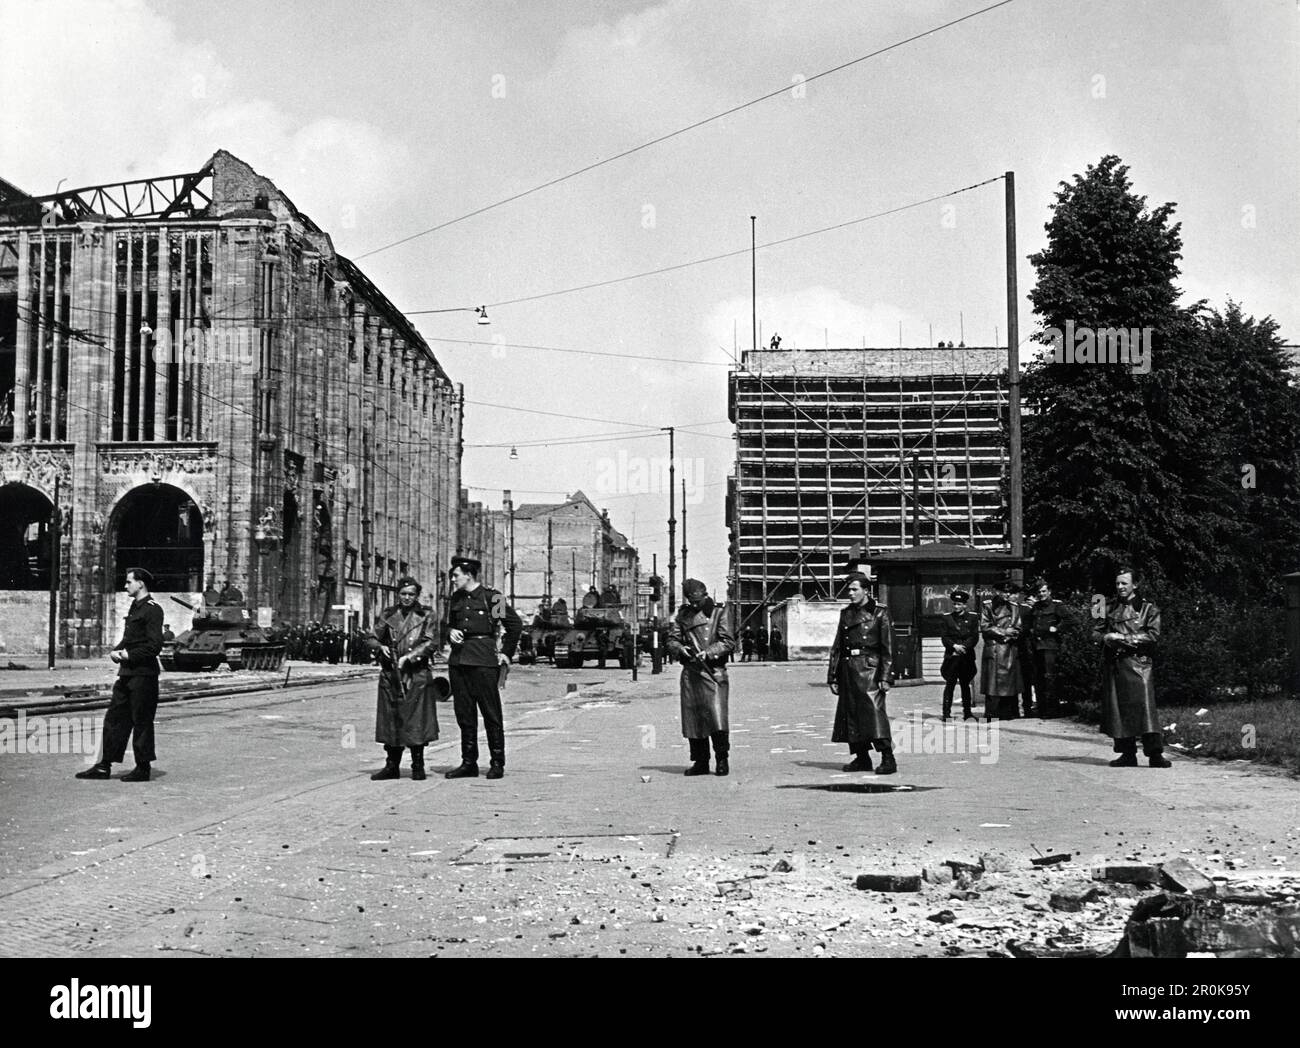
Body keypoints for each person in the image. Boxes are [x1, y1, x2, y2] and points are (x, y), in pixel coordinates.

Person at [76, 568, 165, 782]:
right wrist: (117, 650)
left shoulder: (153, 610)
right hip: (127, 673)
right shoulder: (135, 608)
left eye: (128, 582)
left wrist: (128, 655)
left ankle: (143, 768)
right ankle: (104, 765)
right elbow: (130, 639)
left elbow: (154, 646)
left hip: (143, 675)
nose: (125, 586)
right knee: (115, 718)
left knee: (141, 721)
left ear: (141, 583)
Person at [444, 556, 523, 780]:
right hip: (459, 662)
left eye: (456, 575)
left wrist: (506, 654)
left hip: (483, 662)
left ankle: (497, 762)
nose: (452, 579)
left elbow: (514, 625)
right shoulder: (456, 598)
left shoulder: (492, 597)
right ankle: (468, 762)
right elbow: (449, 624)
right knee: (464, 715)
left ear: (469, 575)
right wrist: (450, 632)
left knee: (491, 714)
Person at [364, 576, 441, 781]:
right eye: (403, 594)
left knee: (416, 721)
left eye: (411, 594)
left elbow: (431, 642)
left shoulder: (426, 614)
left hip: (416, 673)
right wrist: (381, 647)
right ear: (398, 594)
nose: (407, 598)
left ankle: (418, 765)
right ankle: (392, 766)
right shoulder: (388, 614)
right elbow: (371, 637)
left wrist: (410, 657)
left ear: (417, 595)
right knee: (391, 719)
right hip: (391, 674)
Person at [1097, 567, 1169, 767]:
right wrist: (1105, 637)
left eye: (1124, 583)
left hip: (1139, 664)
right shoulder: (1109, 607)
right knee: (1118, 710)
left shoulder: (1148, 609)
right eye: (1118, 583)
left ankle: (1155, 754)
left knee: (1146, 709)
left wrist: (1123, 638)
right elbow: (1096, 631)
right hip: (1116, 664)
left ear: (1135, 585)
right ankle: (1127, 753)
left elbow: (1153, 636)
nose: (1120, 587)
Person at [828, 571, 897, 774]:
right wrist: (833, 676)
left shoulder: (880, 613)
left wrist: (886, 676)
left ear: (866, 590)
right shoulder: (846, 613)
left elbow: (889, 648)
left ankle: (887, 758)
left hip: (870, 670)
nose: (850, 593)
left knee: (875, 715)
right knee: (851, 715)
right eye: (848, 589)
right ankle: (861, 758)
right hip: (848, 670)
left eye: (854, 589)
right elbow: (837, 647)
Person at [666, 578, 736, 776]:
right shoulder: (683, 616)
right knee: (694, 720)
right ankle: (701, 762)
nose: (696, 605)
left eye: (699, 600)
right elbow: (672, 639)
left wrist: (709, 652)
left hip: (713, 672)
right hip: (692, 673)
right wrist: (681, 649)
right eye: (692, 601)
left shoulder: (719, 613)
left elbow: (728, 642)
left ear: (705, 594)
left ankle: (722, 760)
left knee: (717, 718)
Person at [979, 577, 1024, 721]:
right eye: (1003, 592)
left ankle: (1009, 712)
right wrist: (1004, 632)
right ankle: (992, 713)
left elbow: (1018, 627)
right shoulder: (988, 606)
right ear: (997, 592)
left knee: (1010, 682)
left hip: (1009, 648)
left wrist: (1011, 634)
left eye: (1008, 592)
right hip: (995, 648)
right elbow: (985, 627)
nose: (1006, 595)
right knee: (993, 683)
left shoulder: (1015, 607)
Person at [939, 588, 979, 720]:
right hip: (952, 657)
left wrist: (964, 647)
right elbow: (944, 637)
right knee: (949, 685)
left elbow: (974, 637)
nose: (957, 606)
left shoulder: (973, 618)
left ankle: (967, 713)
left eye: (959, 604)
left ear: (965, 605)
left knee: (965, 685)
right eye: (955, 604)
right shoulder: (947, 618)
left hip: (966, 657)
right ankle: (946, 714)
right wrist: (954, 646)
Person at [1031, 577, 1066, 718]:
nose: (1041, 594)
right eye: (1039, 592)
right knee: (1039, 678)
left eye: (1044, 591)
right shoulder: (1036, 606)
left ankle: (1052, 710)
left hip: (1050, 646)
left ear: (1049, 591)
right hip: (1037, 646)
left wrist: (1057, 628)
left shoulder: (1057, 606)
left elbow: (1071, 620)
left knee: (1050, 678)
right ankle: (1041, 708)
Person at [1010, 582, 1037, 717]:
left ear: (1018, 595)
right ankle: (1012, 709)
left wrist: (1016, 634)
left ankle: (1027, 707)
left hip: (1023, 647)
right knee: (1010, 678)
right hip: (1007, 649)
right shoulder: (1001, 609)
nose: (1011, 596)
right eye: (1009, 594)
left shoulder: (1025, 609)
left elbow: (1028, 627)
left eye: (1014, 594)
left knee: (1026, 678)